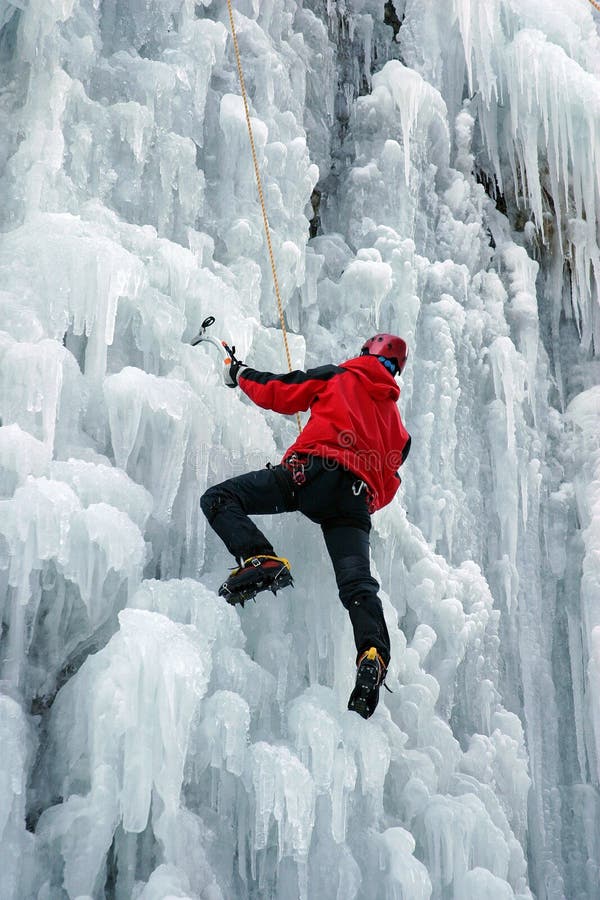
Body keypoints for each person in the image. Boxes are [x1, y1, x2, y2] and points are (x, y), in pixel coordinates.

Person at [200, 334, 411, 718]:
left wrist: (239, 372)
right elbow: (391, 483)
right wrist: (363, 499)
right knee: (358, 586)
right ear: (396, 371)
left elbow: (280, 391)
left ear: (365, 353)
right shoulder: (399, 429)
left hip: (312, 476)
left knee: (219, 499)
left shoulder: (340, 375)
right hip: (354, 504)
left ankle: (260, 558)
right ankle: (373, 653)